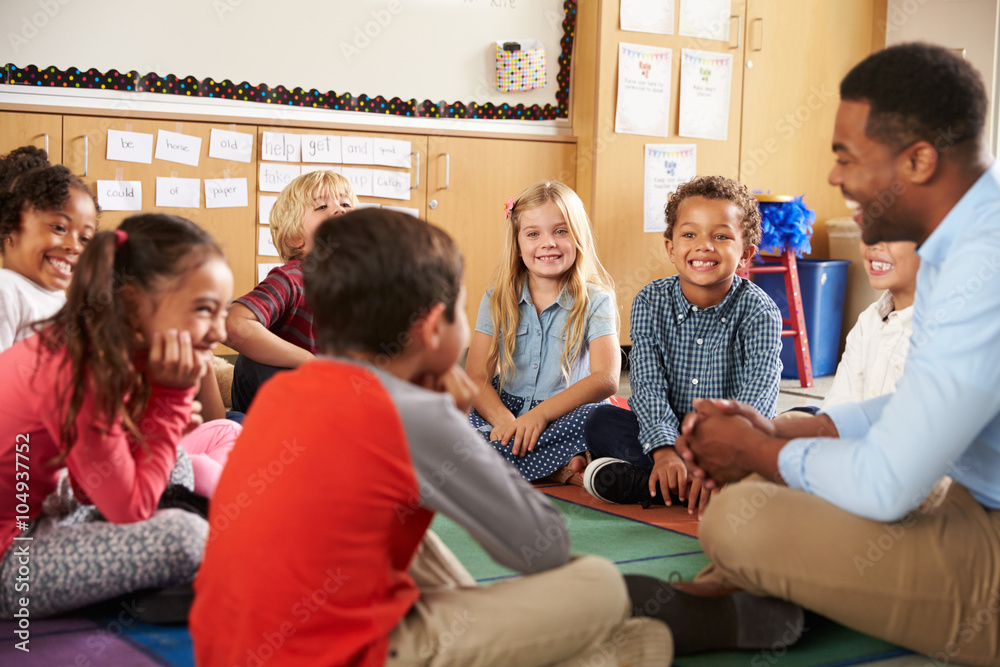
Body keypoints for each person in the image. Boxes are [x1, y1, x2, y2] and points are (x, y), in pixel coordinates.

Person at [634, 43, 1000, 664]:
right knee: (752, 489)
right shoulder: (961, 245)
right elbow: (928, 403)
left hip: (981, 531)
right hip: (967, 496)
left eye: (846, 158)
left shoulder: (980, 270)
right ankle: (758, 600)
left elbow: (886, 486)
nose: (834, 178)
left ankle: (755, 604)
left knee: (735, 518)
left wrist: (763, 448)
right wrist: (801, 426)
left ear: (917, 160)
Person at [190, 209, 672, 667]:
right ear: (432, 327)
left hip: (223, 648)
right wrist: (448, 419)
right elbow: (540, 546)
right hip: (348, 653)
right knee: (601, 583)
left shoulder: (283, 394)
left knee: (397, 529)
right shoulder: (415, 413)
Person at [0, 213, 234, 619]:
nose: (220, 331)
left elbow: (95, 486)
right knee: (188, 537)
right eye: (203, 310)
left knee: (176, 459)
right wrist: (171, 399)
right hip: (10, 561)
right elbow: (127, 510)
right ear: (131, 304)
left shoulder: (104, 349)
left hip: (51, 512)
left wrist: (158, 416)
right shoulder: (82, 372)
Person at [582, 175, 782, 516]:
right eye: (690, 234)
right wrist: (664, 452)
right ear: (671, 248)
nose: (704, 245)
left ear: (746, 253)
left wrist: (722, 461)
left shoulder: (761, 311)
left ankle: (654, 487)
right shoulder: (651, 300)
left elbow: (757, 400)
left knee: (807, 423)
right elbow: (646, 385)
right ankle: (692, 483)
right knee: (600, 420)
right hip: (669, 435)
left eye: (721, 236)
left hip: (735, 445)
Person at [465, 181, 620, 485]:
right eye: (534, 234)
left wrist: (540, 416)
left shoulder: (597, 300)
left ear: (578, 237)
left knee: (601, 419)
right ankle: (562, 468)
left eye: (560, 231)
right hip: (506, 412)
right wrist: (506, 422)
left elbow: (607, 379)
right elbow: (474, 376)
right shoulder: (496, 298)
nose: (548, 243)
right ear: (518, 243)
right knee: (445, 412)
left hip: (566, 414)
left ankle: (510, 461)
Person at [225, 170, 357, 412]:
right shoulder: (292, 278)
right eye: (321, 207)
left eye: (346, 203)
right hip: (279, 403)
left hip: (331, 402)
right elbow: (232, 324)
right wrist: (307, 361)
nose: (340, 210)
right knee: (253, 357)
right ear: (297, 237)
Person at [0, 145, 98, 351]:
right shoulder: (6, 289)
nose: (74, 246)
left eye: (85, 238)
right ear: (9, 227)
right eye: (59, 228)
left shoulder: (57, 297)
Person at [821, 239, 919, 407]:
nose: (874, 244)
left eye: (892, 234)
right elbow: (840, 410)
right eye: (868, 231)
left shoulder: (953, 331)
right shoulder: (869, 320)